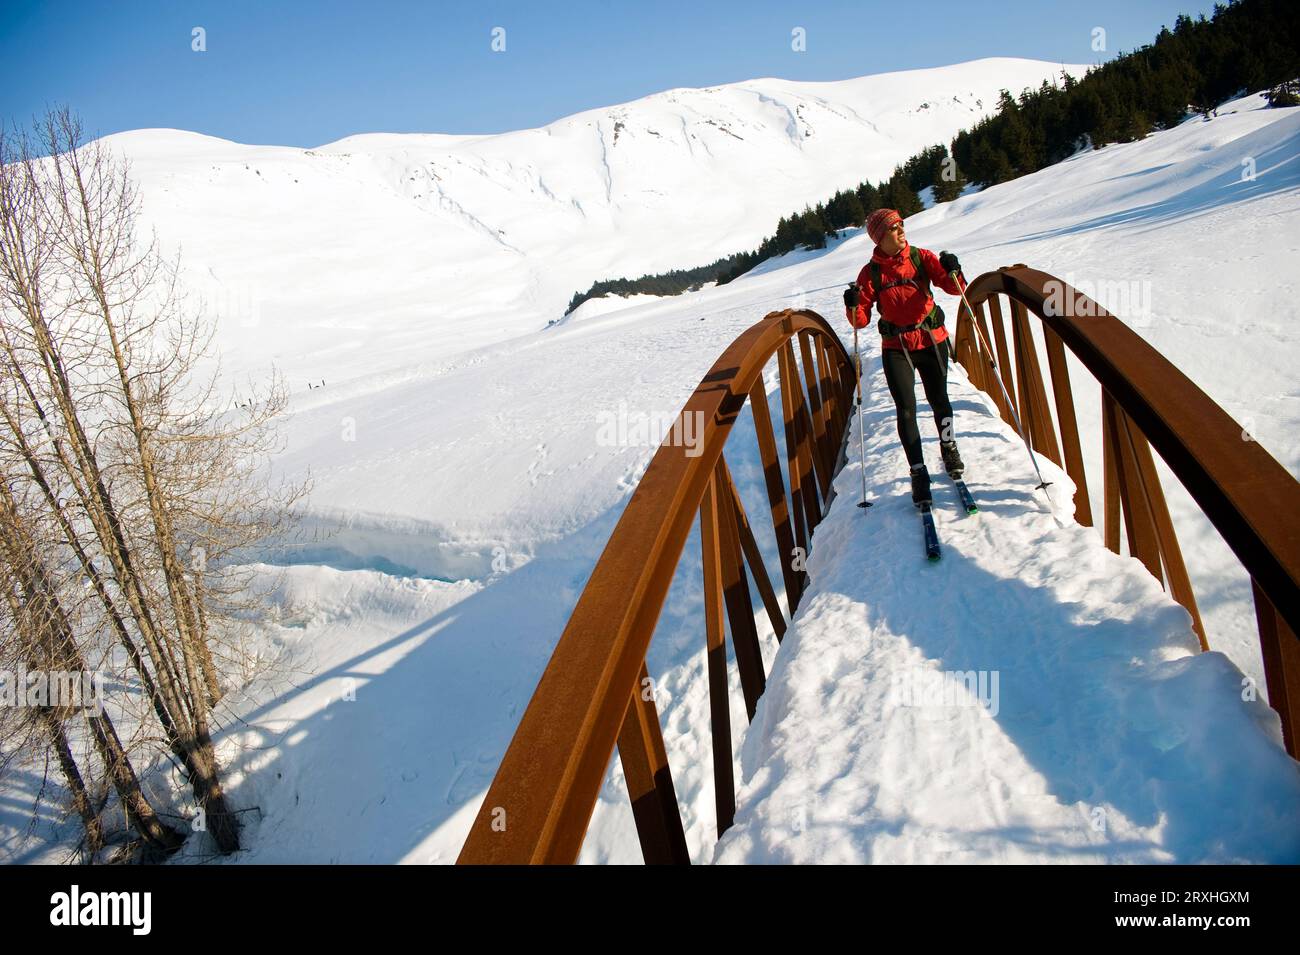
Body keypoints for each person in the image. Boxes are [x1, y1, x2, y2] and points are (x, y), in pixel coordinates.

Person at [843, 208, 965, 506]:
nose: (901, 232)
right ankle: (917, 471)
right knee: (906, 410)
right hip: (896, 347)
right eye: (893, 229)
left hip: (931, 340)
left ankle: (948, 445)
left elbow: (955, 288)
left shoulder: (922, 257)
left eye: (901, 226)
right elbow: (860, 321)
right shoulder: (870, 272)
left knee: (940, 401)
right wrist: (853, 304)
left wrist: (954, 269)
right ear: (879, 238)